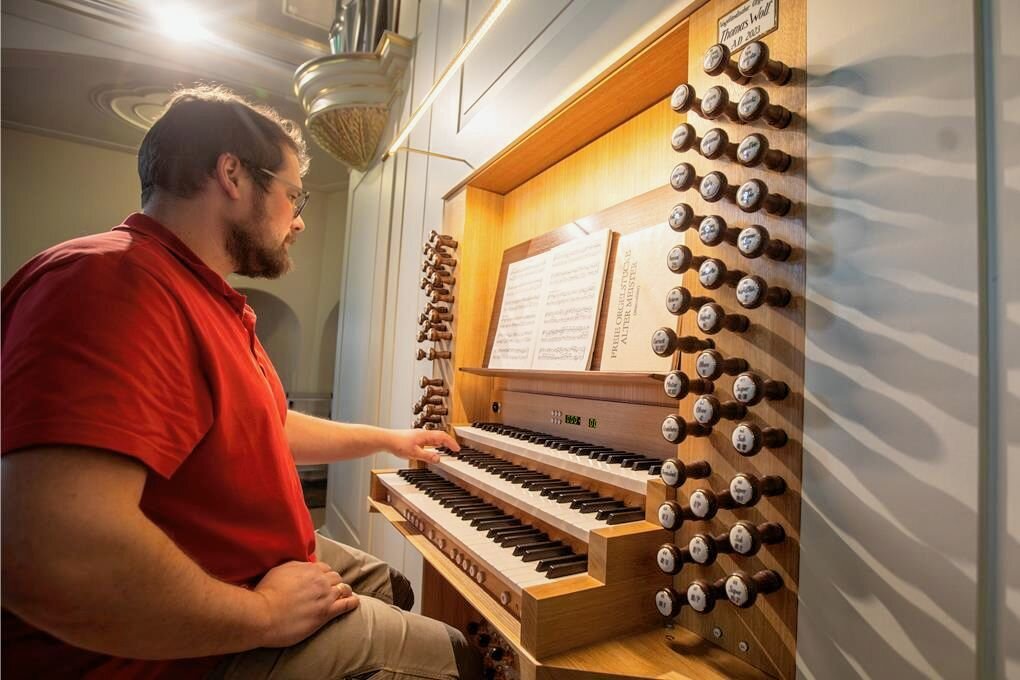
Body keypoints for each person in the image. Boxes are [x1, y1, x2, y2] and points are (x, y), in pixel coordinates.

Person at [1, 85, 481, 680]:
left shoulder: (204, 295)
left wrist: (389, 438)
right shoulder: (109, 281)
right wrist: (263, 614)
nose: (300, 220)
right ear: (231, 174)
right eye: (293, 194)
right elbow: (50, 552)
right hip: (171, 652)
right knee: (458, 658)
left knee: (393, 585)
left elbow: (268, 425)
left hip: (249, 569)